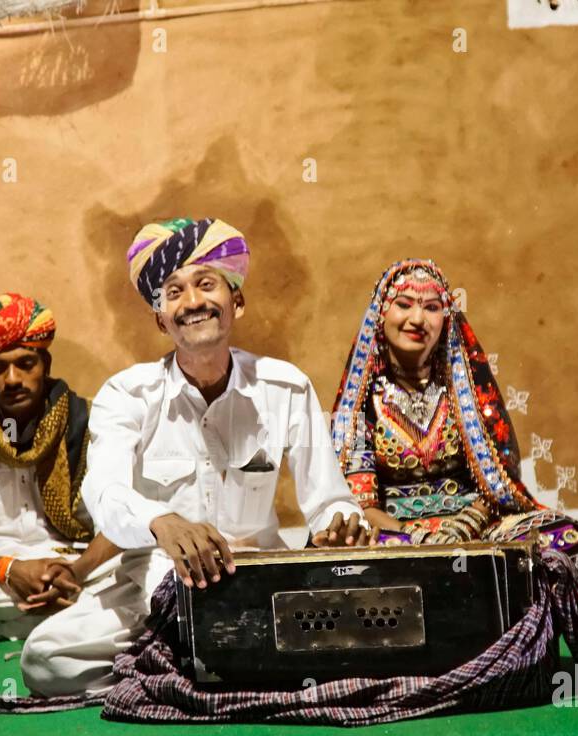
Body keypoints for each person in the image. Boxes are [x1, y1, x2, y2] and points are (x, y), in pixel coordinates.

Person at [20, 217, 368, 697]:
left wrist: (340, 522)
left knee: (362, 644)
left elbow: (328, 499)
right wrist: (162, 522)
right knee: (46, 661)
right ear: (160, 318)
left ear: (237, 301)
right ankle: (208, 665)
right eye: (175, 292)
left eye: (207, 285)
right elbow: (104, 493)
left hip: (259, 581)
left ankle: (173, 672)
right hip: (154, 587)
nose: (193, 302)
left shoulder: (285, 386)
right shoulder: (127, 394)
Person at [329, 258, 578, 579]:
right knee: (349, 562)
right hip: (398, 536)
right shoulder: (361, 403)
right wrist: (418, 539)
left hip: (474, 527)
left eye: (432, 307)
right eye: (404, 305)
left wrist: (466, 524)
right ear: (381, 313)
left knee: (574, 544)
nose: (417, 319)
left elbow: (498, 485)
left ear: (446, 319)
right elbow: (364, 506)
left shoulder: (466, 390)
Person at [0, 293, 120, 642]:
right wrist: (8, 570)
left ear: (45, 363)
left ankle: (29, 620)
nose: (13, 378)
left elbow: (122, 518)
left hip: (76, 572)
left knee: (140, 565)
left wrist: (76, 573)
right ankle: (66, 625)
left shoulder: (92, 421)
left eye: (26, 364)